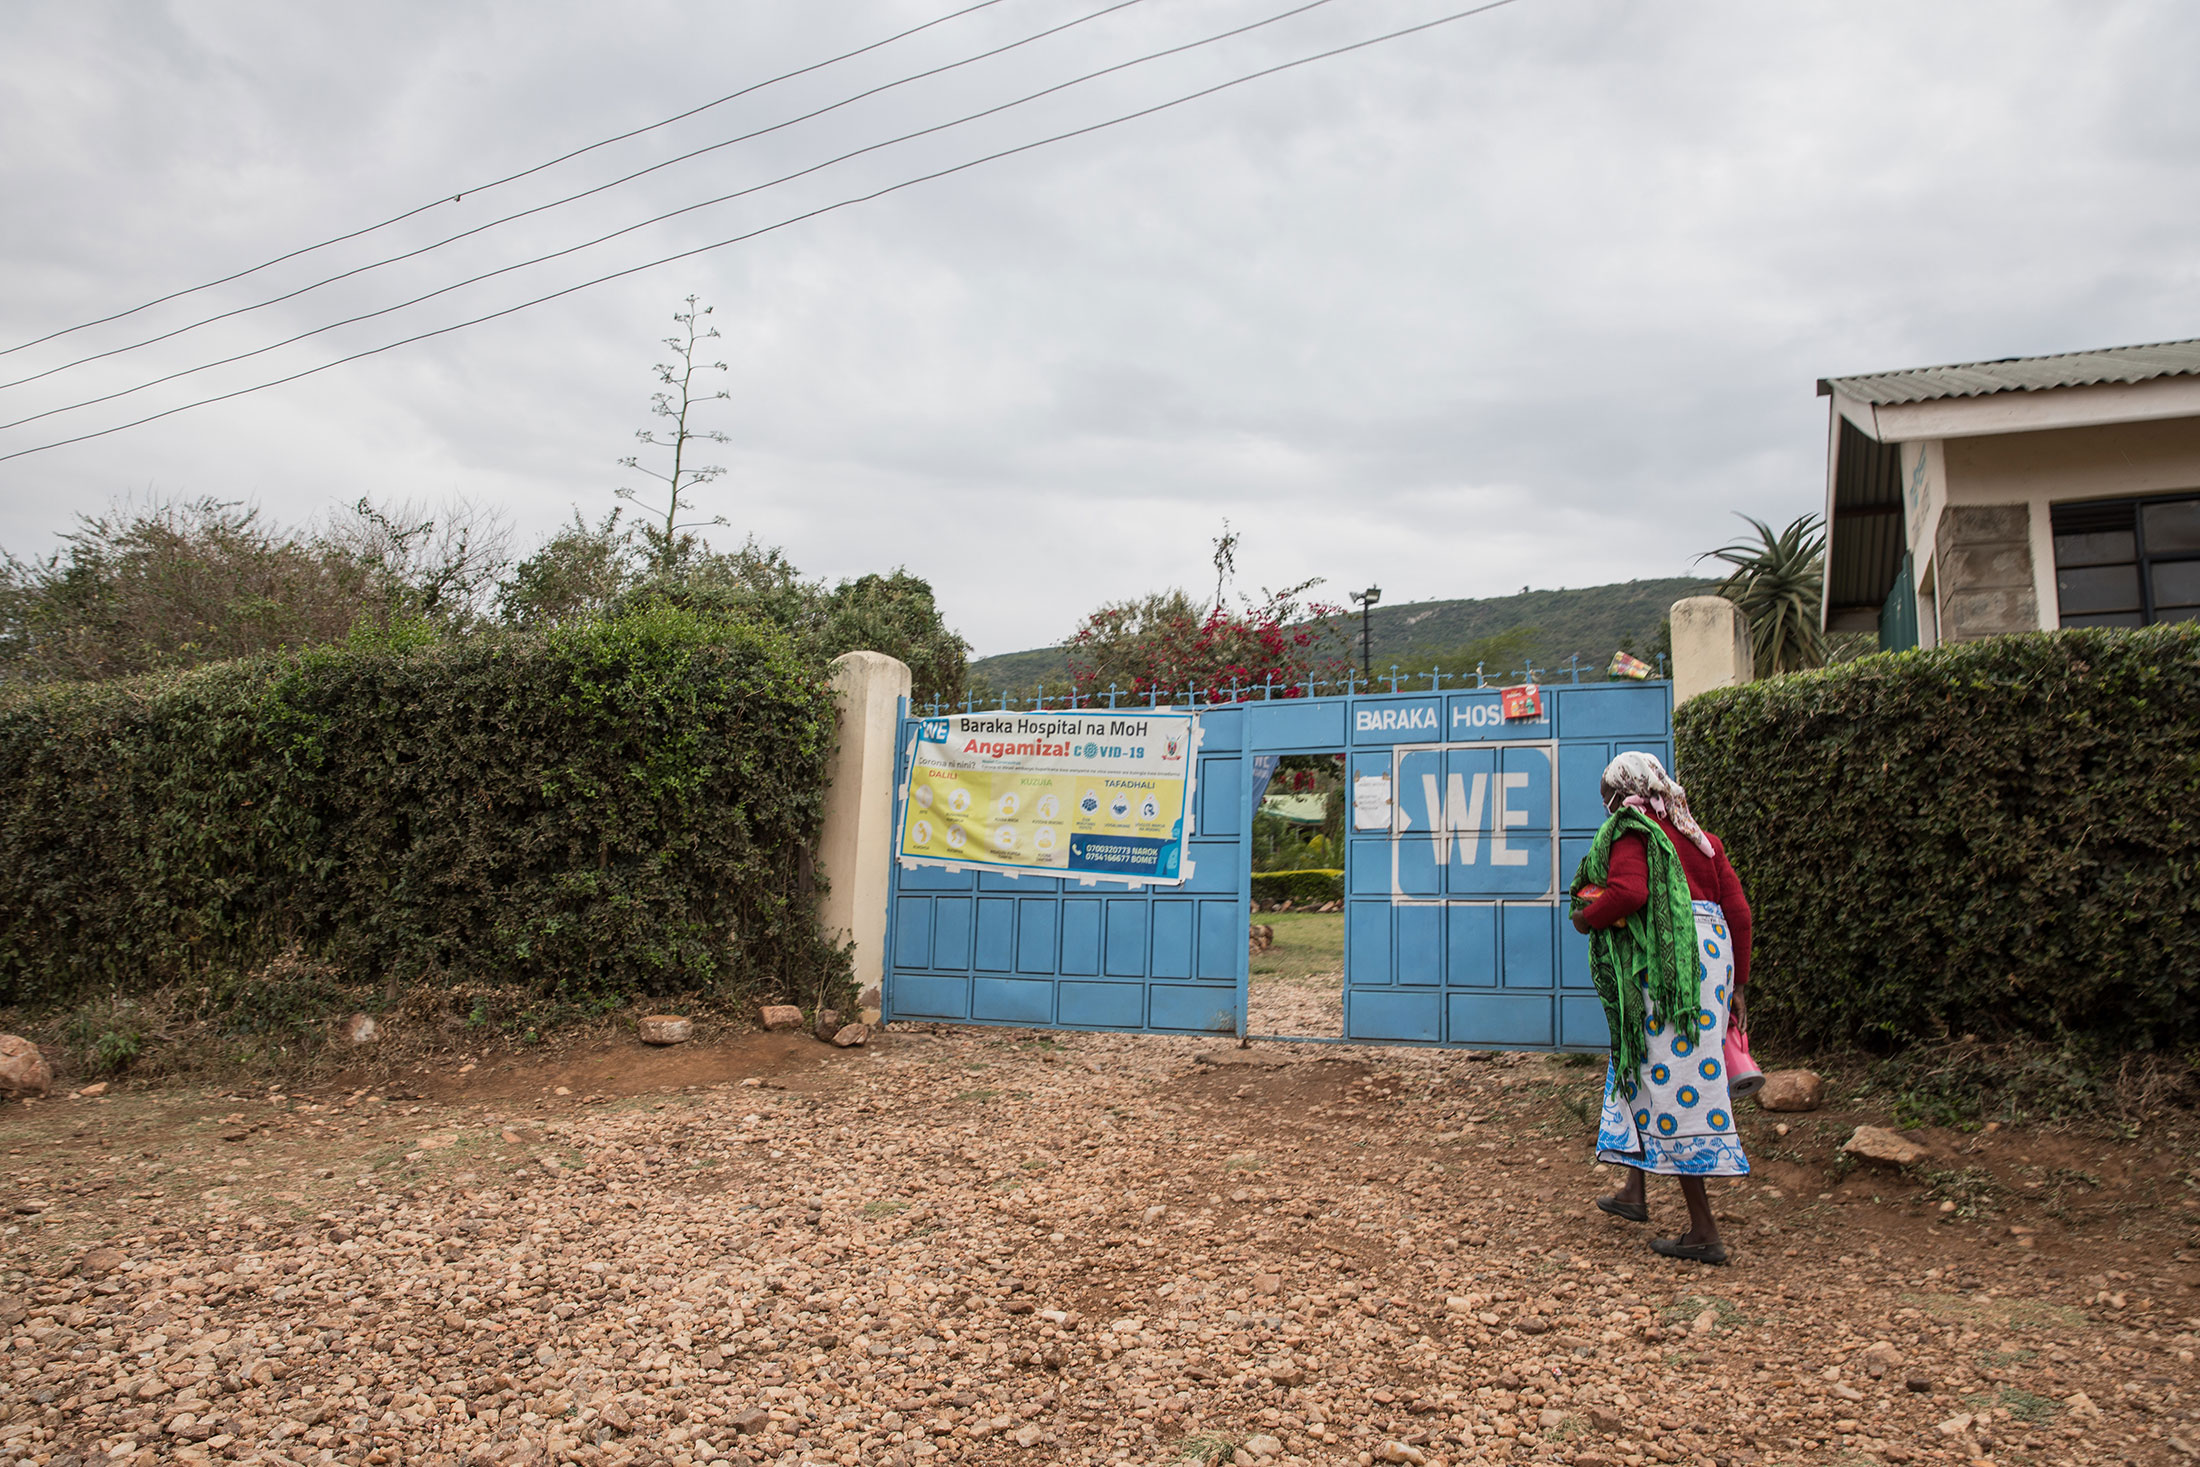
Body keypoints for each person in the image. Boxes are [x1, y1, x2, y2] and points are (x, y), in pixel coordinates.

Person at [1569, 751, 1752, 1265]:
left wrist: (1588, 917)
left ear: (1624, 792)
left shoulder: (1634, 832)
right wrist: (1740, 983)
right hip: (1712, 963)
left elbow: (1630, 892)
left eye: (1607, 793)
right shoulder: (1700, 839)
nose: (1605, 804)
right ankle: (1634, 1191)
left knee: (1674, 1082)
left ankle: (1703, 1230)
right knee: (1647, 1066)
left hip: (1670, 967)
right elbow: (1737, 911)